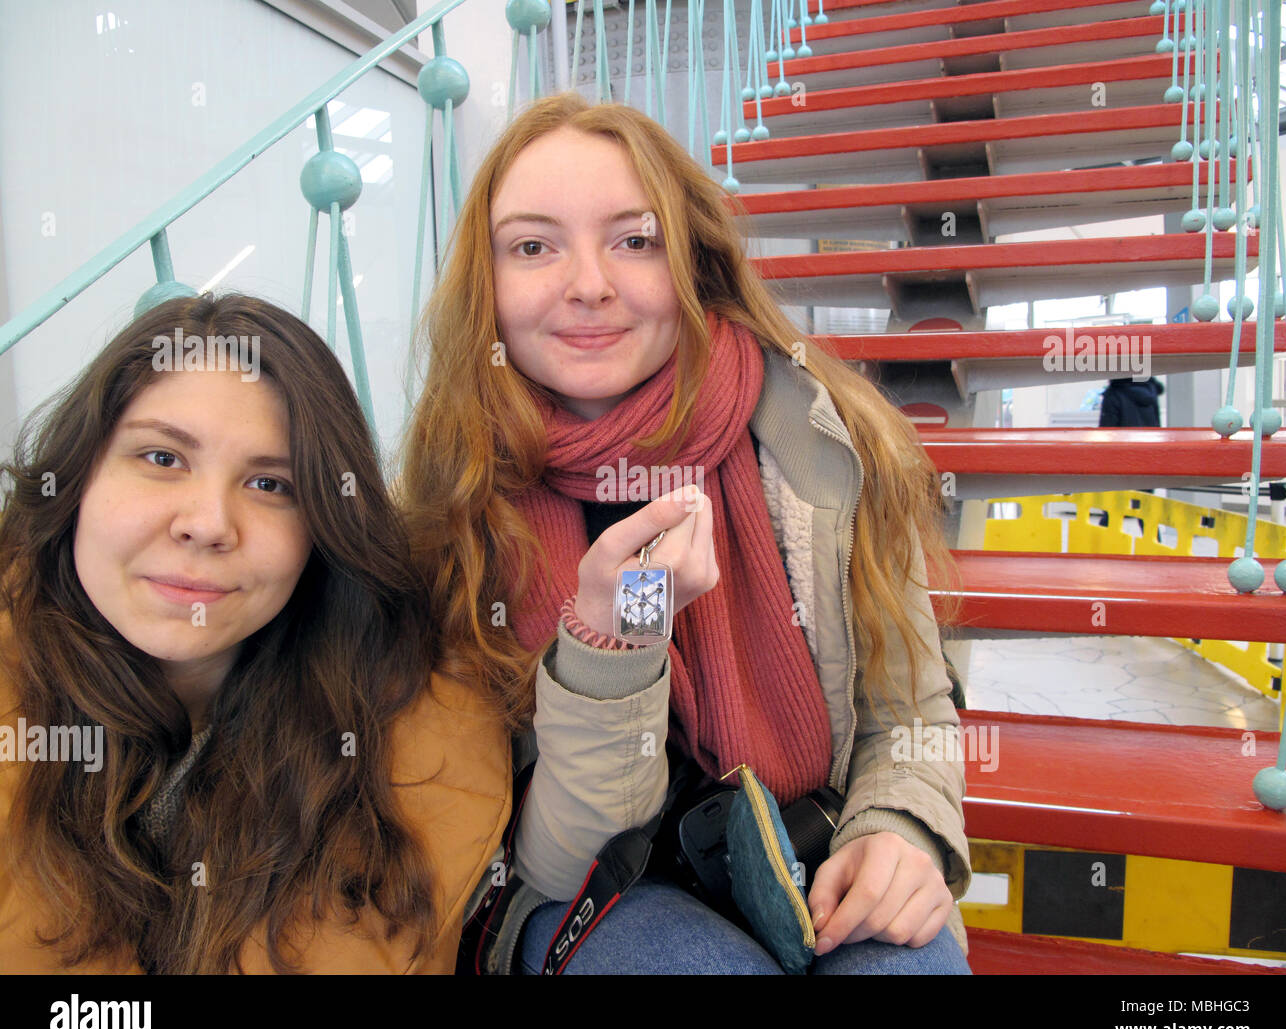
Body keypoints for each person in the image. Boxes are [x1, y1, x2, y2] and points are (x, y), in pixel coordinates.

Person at [401, 92, 971, 974]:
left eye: (636, 240)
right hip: (599, 891)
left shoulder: (822, 443)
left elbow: (910, 713)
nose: (589, 284)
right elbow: (554, 861)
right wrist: (611, 643)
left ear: (694, 262)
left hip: (811, 844)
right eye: (532, 246)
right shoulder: (454, 509)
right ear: (489, 283)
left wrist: (903, 827)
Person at [0, 294, 509, 974]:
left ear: (323, 530)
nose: (208, 522)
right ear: (79, 479)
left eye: (270, 483)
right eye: (162, 457)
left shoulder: (409, 737)